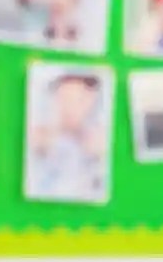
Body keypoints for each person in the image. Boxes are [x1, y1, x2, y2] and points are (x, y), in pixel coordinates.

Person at [27, 73, 106, 202]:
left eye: (79, 100)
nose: (70, 107)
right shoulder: (38, 137)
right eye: (65, 98)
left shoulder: (99, 141)